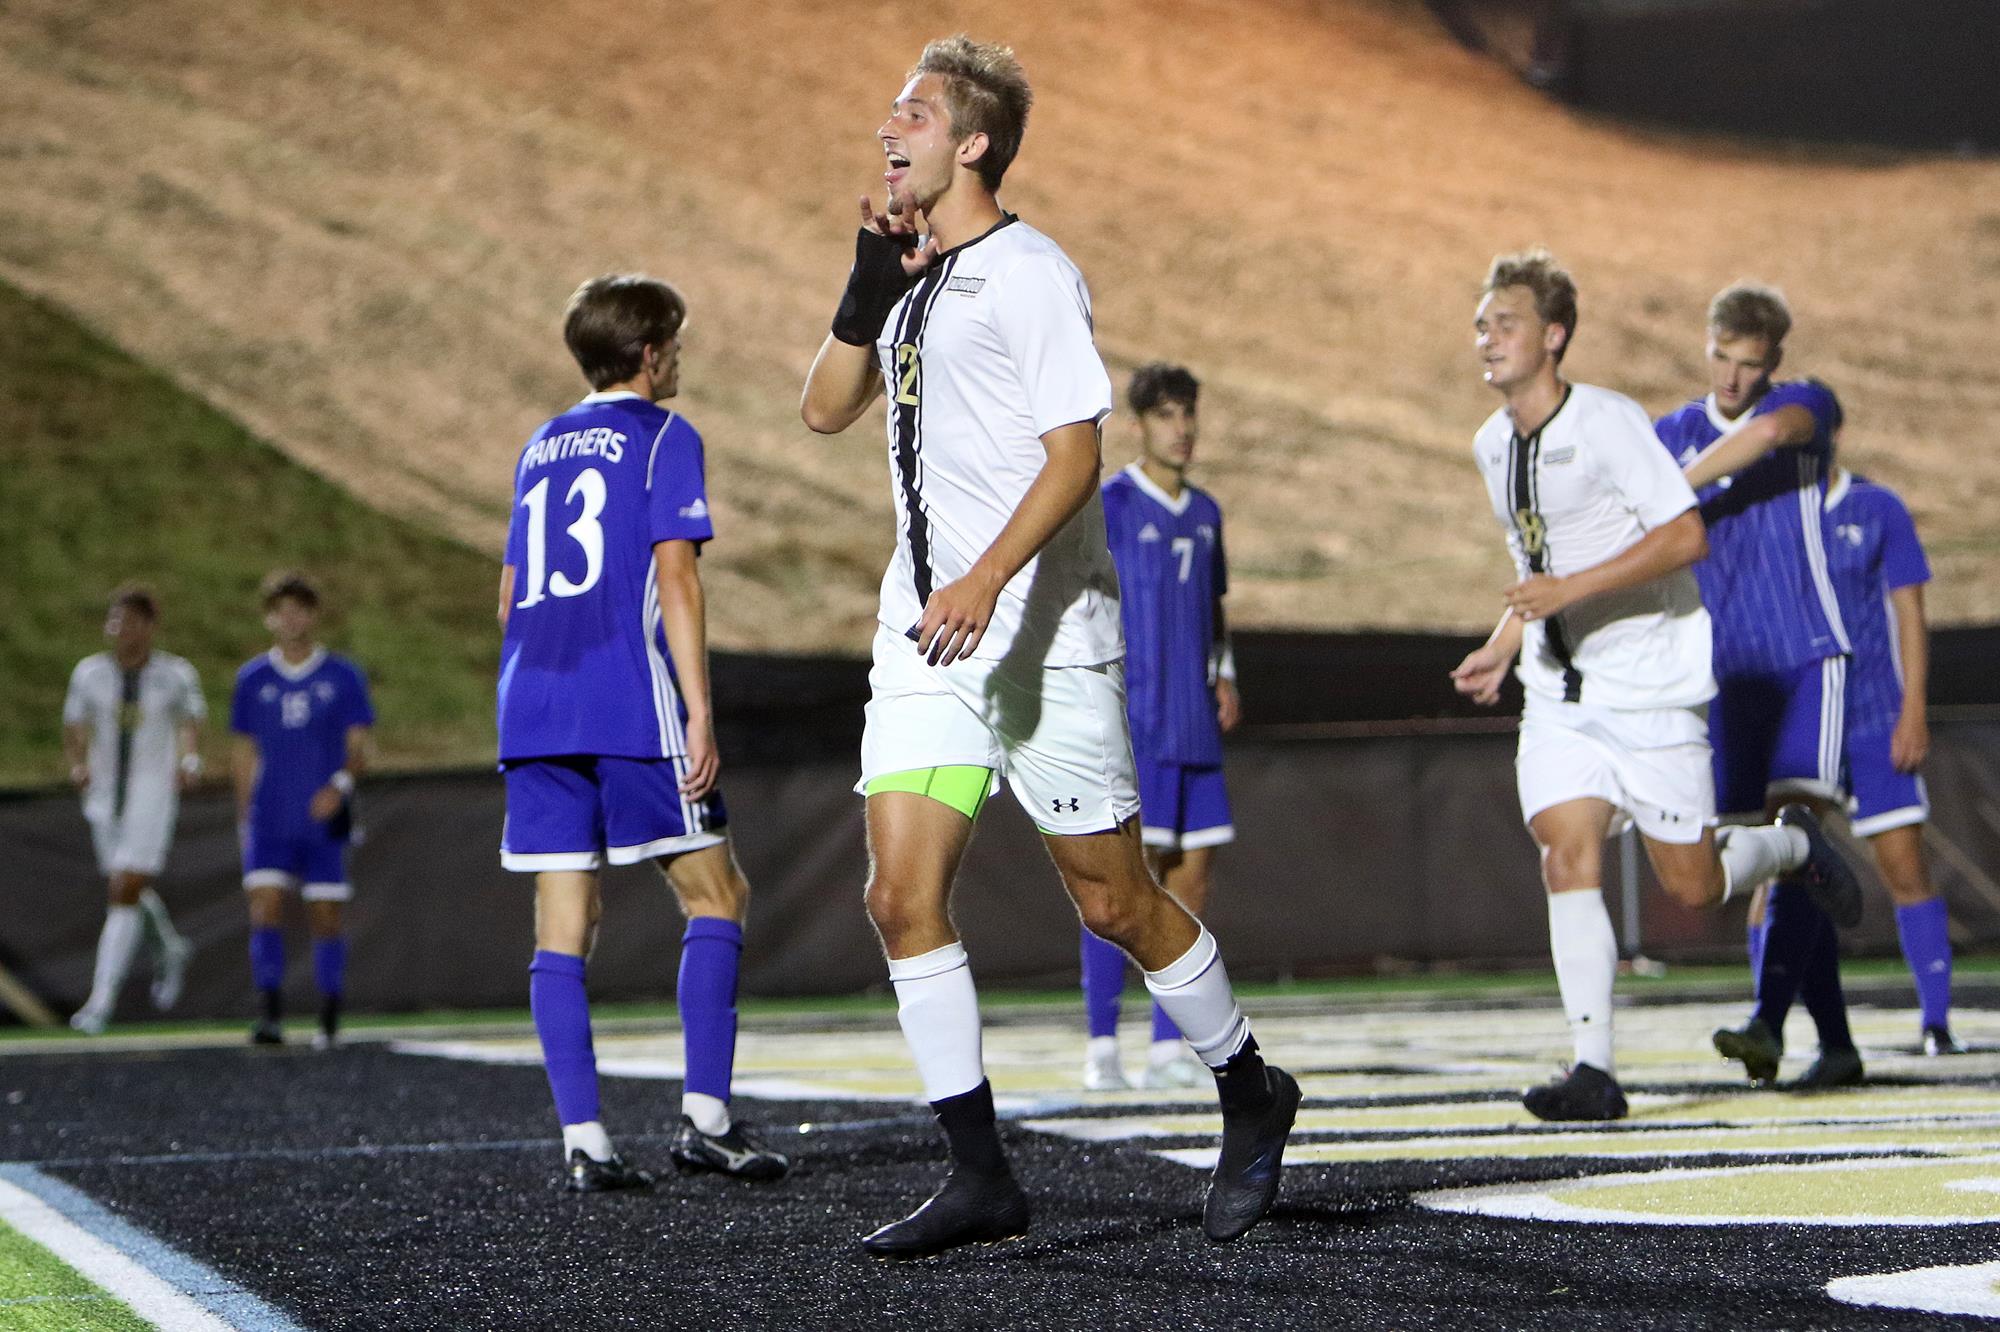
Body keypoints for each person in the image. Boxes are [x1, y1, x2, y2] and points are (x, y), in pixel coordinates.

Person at [801, 35, 1297, 1257]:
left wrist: (980, 576)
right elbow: (821, 407)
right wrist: (866, 287)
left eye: (910, 112)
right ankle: (979, 1175)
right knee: (898, 896)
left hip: (1038, 636)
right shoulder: (909, 275)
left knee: (1116, 904)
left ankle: (1248, 1088)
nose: (886, 127)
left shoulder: (1030, 273)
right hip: (921, 639)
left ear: (970, 143)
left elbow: (1075, 458)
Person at [1451, 250, 1860, 1123]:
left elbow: (1683, 538)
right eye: (1483, 322)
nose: (1488, 337)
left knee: (1692, 885)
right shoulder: (1492, 445)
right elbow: (1537, 567)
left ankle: (1790, 846)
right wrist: (1502, 641)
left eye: (1507, 321)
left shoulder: (1607, 422)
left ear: (1554, 336)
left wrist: (1569, 591)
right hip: (1561, 693)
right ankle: (1592, 1069)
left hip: (1652, 685)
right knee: (1566, 853)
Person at [496, 274, 789, 1194]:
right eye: (679, 341)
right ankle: (706, 1121)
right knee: (718, 895)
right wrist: (699, 711)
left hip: (530, 703)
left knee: (563, 927)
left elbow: (507, 597)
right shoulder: (665, 437)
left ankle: (584, 1138)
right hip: (626, 697)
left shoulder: (539, 446)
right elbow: (678, 579)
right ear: (652, 350)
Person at [1653, 284, 1870, 1088]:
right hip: (1725, 674)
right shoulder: (1667, 433)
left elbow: (1772, 430)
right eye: (1723, 358)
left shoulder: (1803, 406)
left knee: (1794, 827)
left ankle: (1768, 1024)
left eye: (1752, 364)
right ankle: (1838, 1046)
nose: (1736, 377)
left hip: (1807, 653)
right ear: (1706, 345)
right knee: (1779, 860)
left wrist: (1681, 486)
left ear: (1774, 361)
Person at [1082, 362, 1242, 1091]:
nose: (1181, 430)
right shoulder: (1111, 503)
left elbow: (1214, 608)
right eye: (1167, 416)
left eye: (1189, 415)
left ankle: (1167, 1047)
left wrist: (1225, 674)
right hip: (1135, 721)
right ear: (1139, 423)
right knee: (1124, 890)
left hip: (1193, 721)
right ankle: (1100, 1045)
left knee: (1194, 882)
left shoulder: (1205, 513)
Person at [230, 572, 374, 1049]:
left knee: (326, 914)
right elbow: (244, 751)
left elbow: (359, 747)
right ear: (269, 618)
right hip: (271, 815)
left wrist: (340, 785)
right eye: (281, 610)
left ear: (313, 615)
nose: (290, 619)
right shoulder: (252, 679)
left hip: (321, 817)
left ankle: (330, 1013)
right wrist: (243, 812)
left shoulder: (342, 675)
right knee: (265, 907)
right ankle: (270, 1013)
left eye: (299, 609)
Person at [61, 584, 200, 1033]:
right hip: (104, 795)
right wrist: (78, 766)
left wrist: (189, 758)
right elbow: (74, 726)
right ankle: (171, 946)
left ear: (150, 627)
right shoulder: (90, 674)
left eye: (133, 621)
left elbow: (190, 722)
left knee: (124, 886)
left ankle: (100, 1001)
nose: (124, 631)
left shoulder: (174, 674)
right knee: (126, 885)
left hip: (151, 792)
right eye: (117, 621)